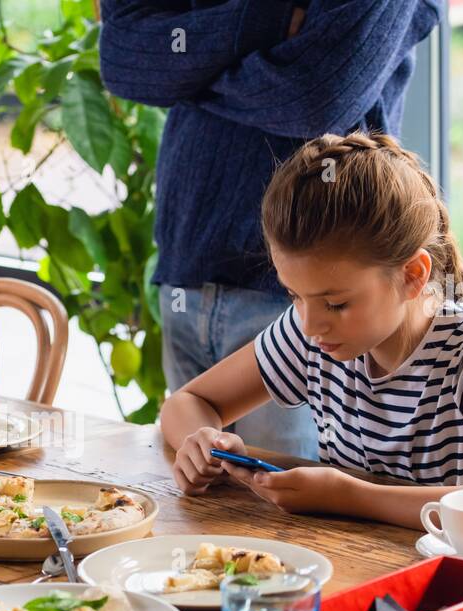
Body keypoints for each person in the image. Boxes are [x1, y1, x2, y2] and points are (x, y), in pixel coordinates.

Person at [159, 132, 463, 546]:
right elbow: (188, 402)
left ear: (413, 275)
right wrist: (204, 441)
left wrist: (351, 496)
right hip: (361, 568)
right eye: (294, 296)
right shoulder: (312, 334)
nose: (309, 324)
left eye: (337, 303)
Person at [100, 0, 443, 458]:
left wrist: (190, 77)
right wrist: (272, 19)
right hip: (188, 264)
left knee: (288, 517)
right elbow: (126, 62)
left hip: (301, 283)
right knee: (204, 496)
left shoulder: (318, 318)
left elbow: (314, 99)